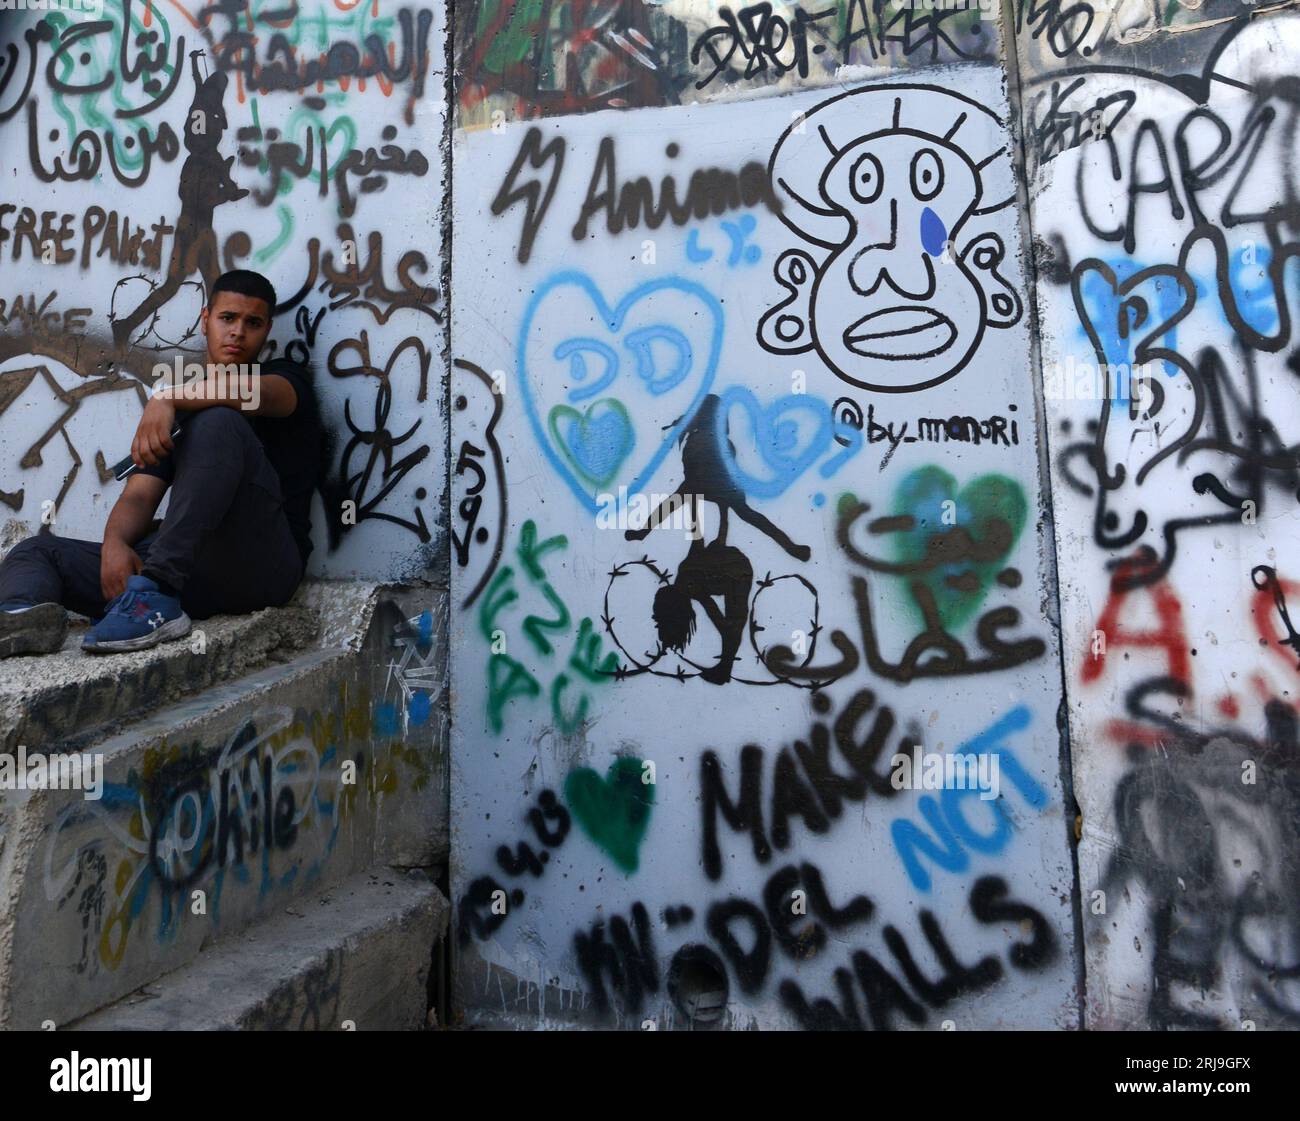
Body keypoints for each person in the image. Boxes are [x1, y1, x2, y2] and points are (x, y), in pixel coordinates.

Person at [0, 270, 323, 656]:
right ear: (206, 321)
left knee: (220, 421)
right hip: (190, 570)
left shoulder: (285, 379)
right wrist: (115, 544)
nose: (238, 332)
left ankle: (158, 592)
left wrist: (166, 398)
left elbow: (256, 394)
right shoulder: (182, 411)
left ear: (267, 330)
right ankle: (21, 620)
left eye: (252, 323)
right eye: (227, 319)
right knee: (38, 551)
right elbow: (139, 496)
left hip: (263, 564)